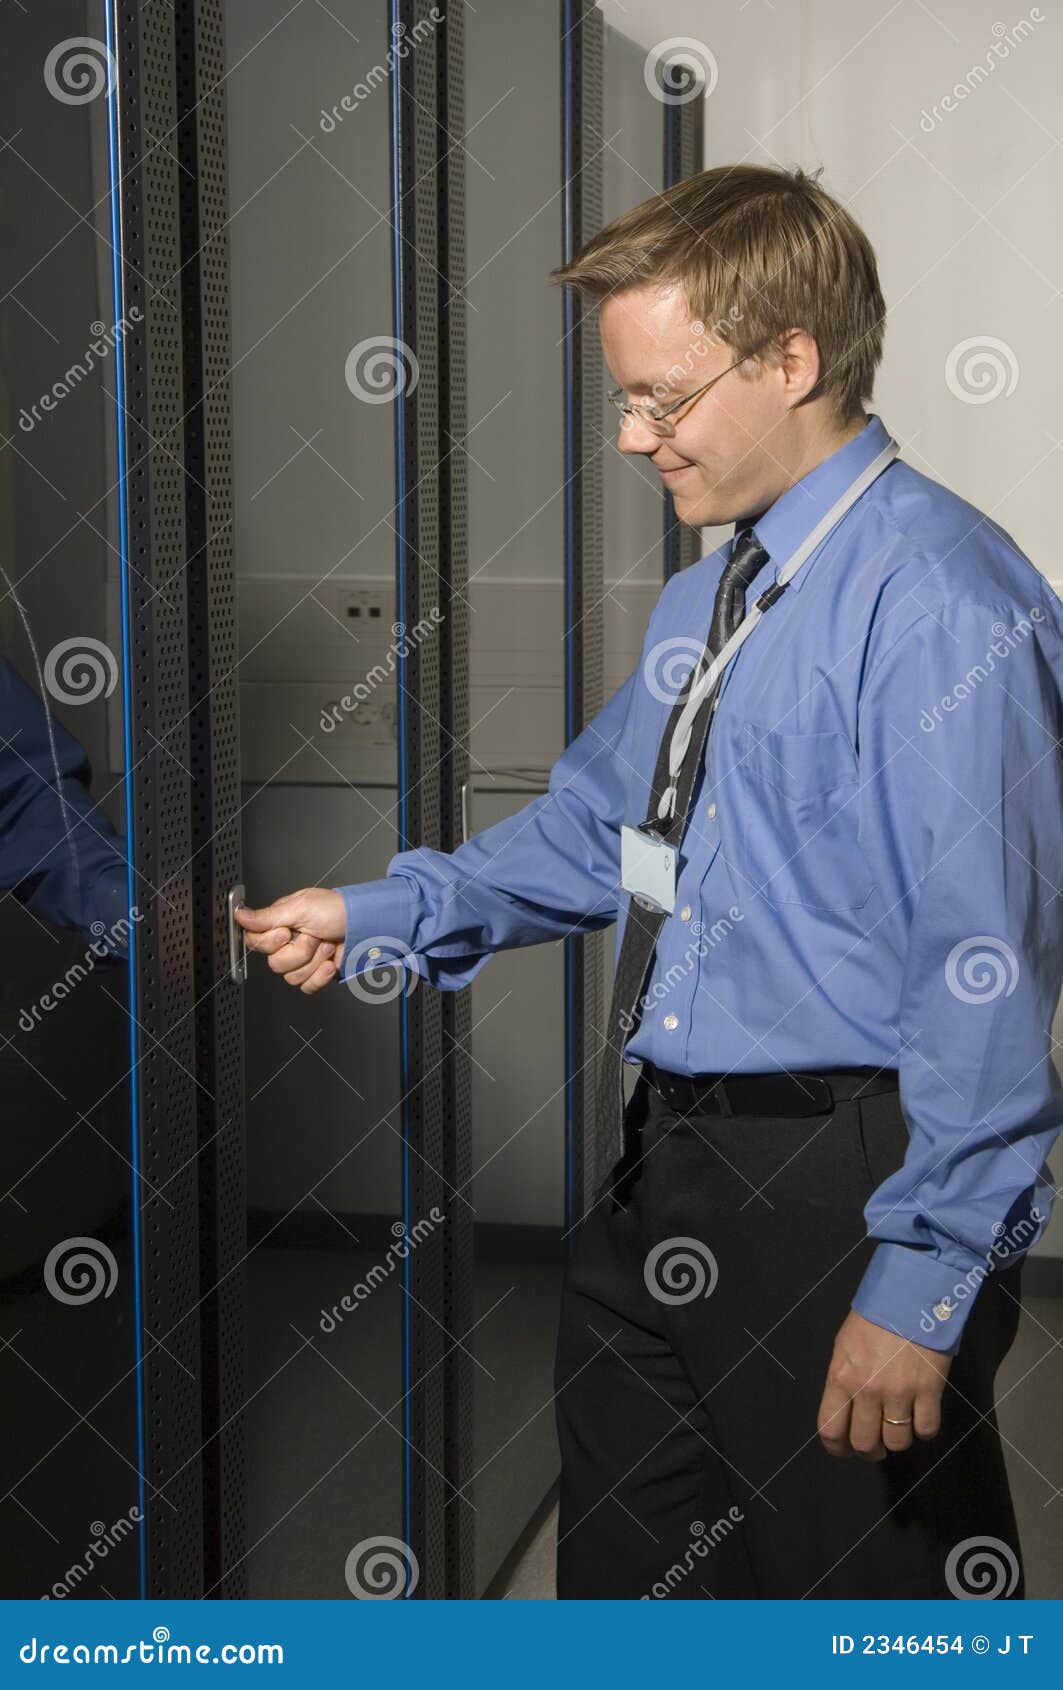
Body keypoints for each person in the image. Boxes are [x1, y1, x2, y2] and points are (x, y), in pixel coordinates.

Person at [235, 163, 1063, 1599]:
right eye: (625, 398)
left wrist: (923, 1284)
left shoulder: (941, 602)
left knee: (857, 1604)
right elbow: (605, 837)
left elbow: (983, 968)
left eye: (662, 398)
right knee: (629, 1581)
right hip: (661, 1169)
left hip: (841, 1181)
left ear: (792, 359)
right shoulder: (714, 596)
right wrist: (380, 910)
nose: (631, 436)